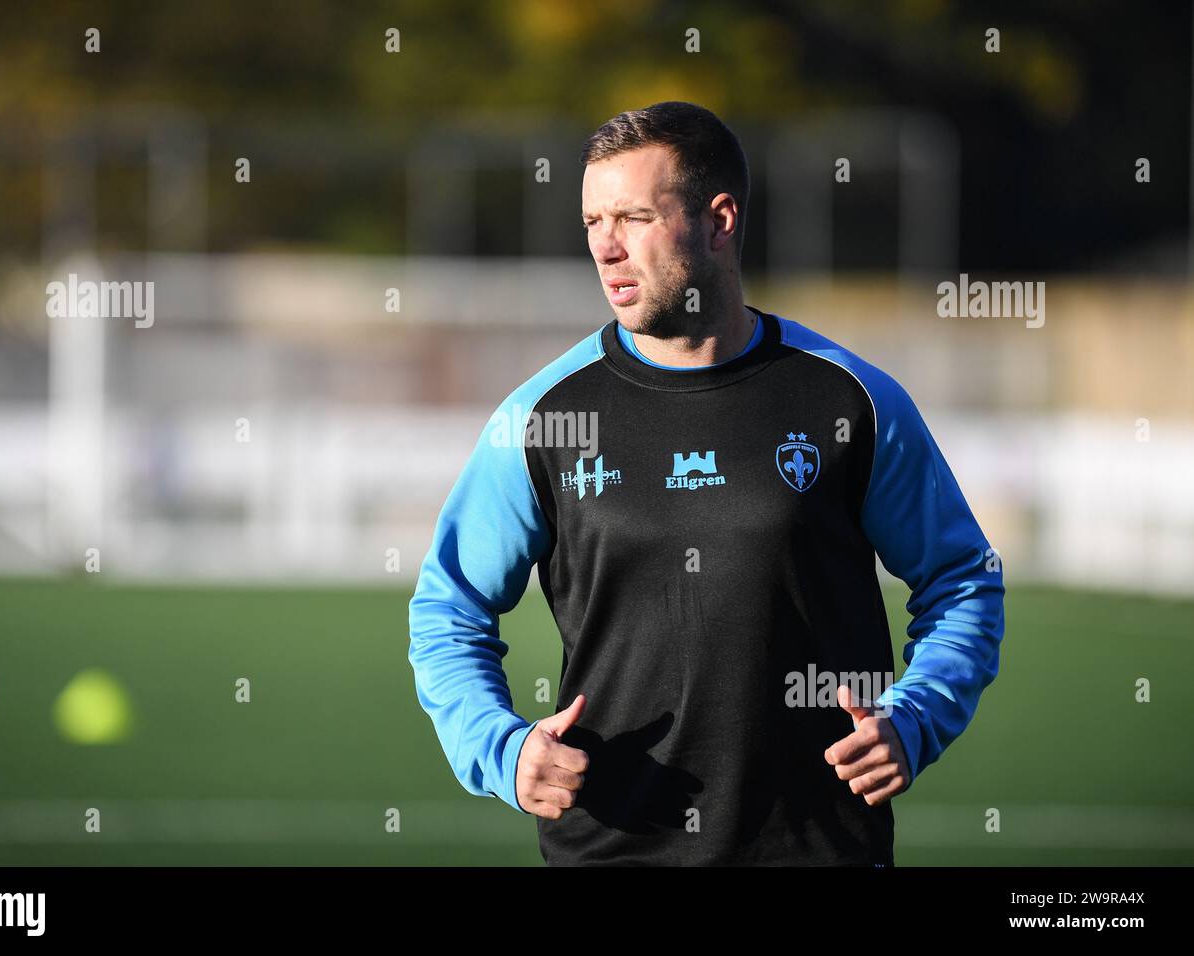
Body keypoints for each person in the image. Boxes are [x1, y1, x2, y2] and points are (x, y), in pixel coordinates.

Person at [408, 101, 1004, 865]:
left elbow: (963, 579)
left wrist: (915, 718)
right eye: (592, 221)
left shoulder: (850, 398)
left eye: (632, 216)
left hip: (819, 848)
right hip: (610, 847)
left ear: (719, 219)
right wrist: (500, 747)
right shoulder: (540, 418)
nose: (605, 248)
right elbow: (447, 607)